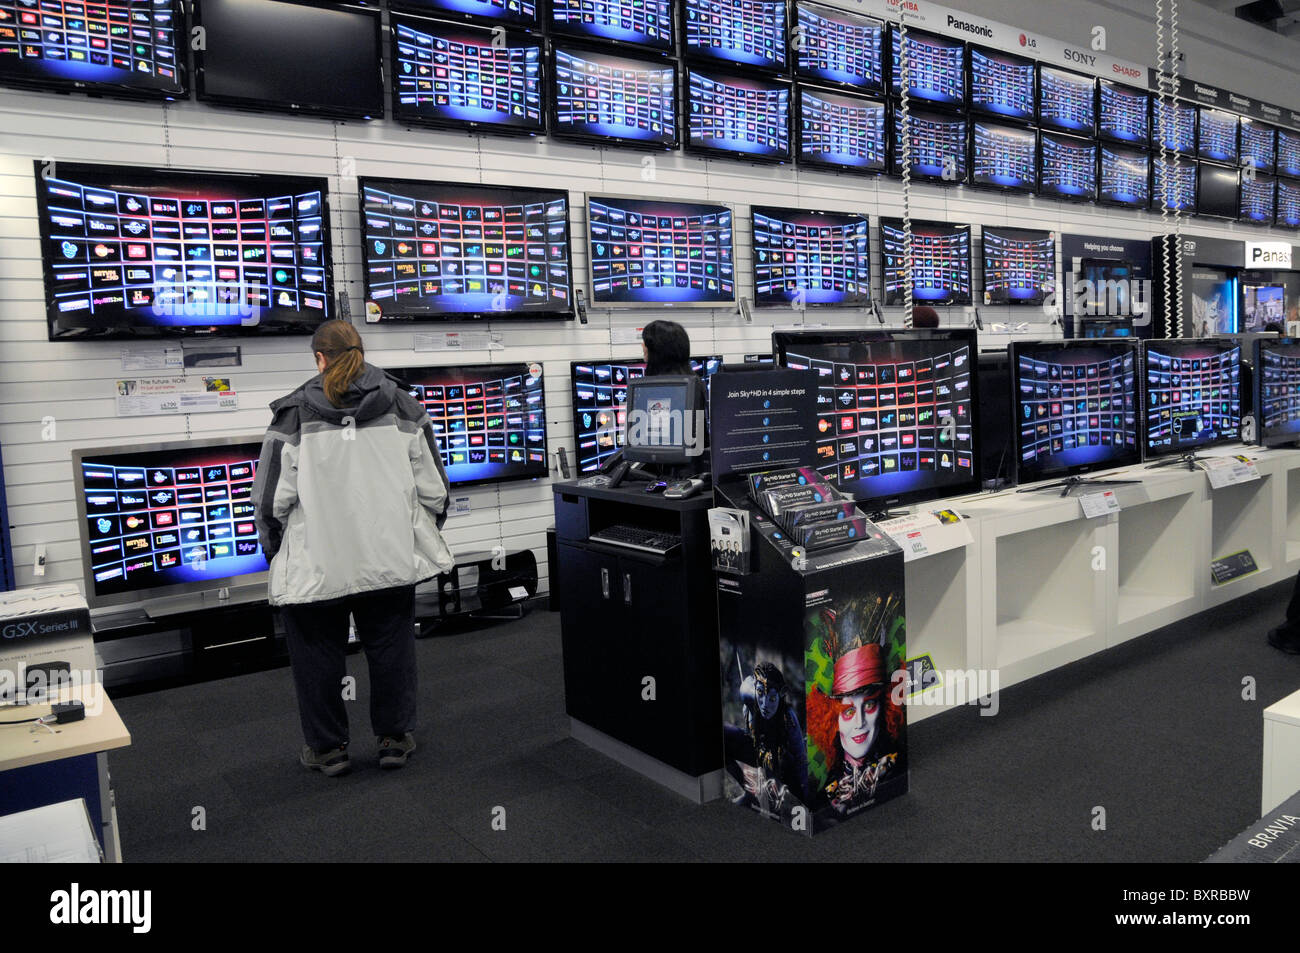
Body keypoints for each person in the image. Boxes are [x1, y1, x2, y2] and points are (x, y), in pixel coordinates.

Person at [251, 320, 453, 776]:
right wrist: (418, 532)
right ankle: (394, 739)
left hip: (317, 561)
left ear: (319, 359)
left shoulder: (293, 413)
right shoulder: (403, 403)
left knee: (318, 654)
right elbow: (436, 488)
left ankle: (328, 750)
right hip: (387, 557)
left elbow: (270, 501)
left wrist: (276, 550)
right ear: (361, 352)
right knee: (391, 647)